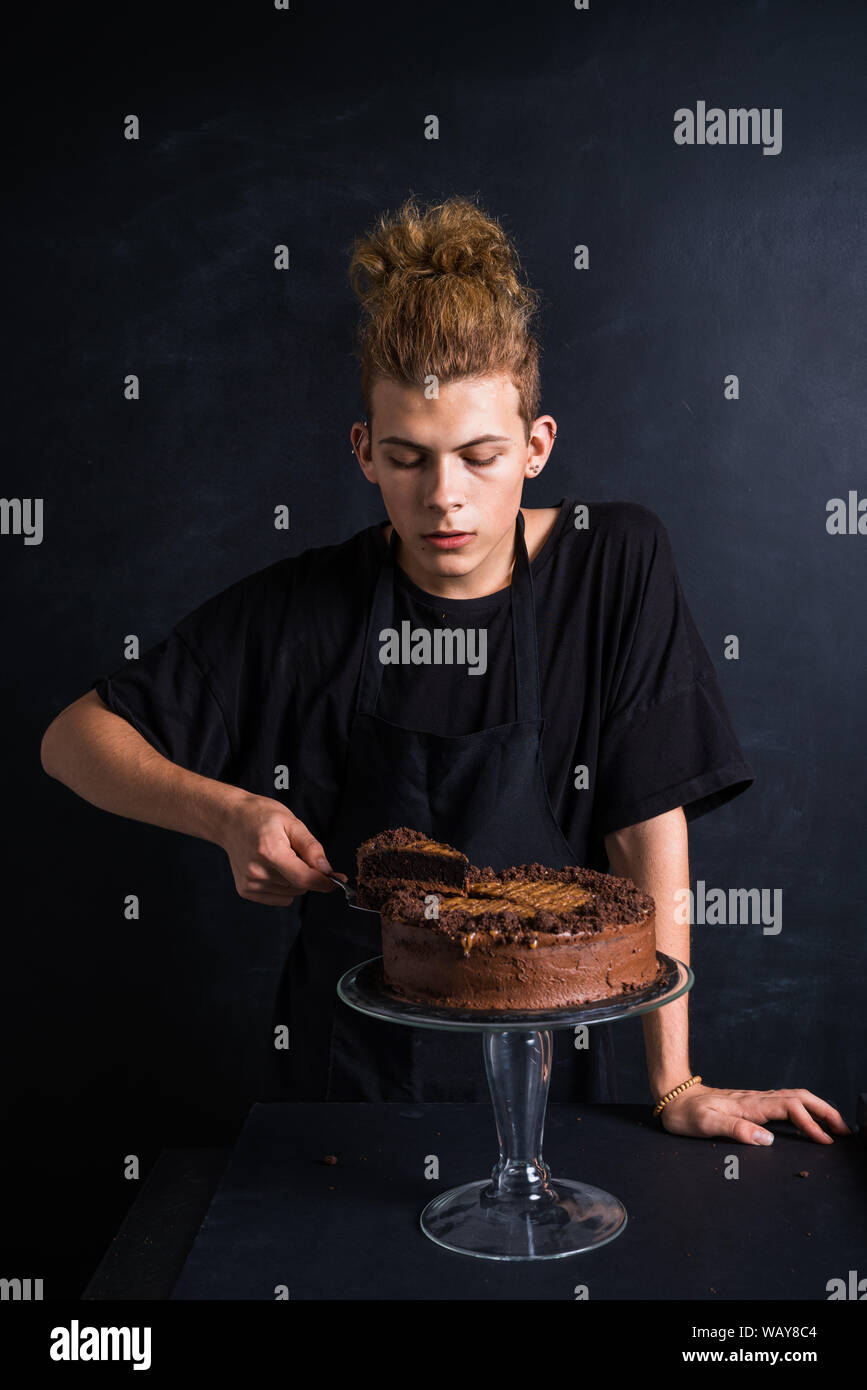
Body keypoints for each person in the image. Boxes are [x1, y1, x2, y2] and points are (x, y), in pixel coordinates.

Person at [41, 193, 849, 1145]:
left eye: (480, 455)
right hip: (349, 1083)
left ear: (536, 447)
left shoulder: (615, 562)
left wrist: (673, 1085)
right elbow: (71, 739)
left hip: (557, 1067)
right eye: (407, 459)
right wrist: (228, 812)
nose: (445, 499)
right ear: (363, 456)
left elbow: (645, 821)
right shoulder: (307, 604)